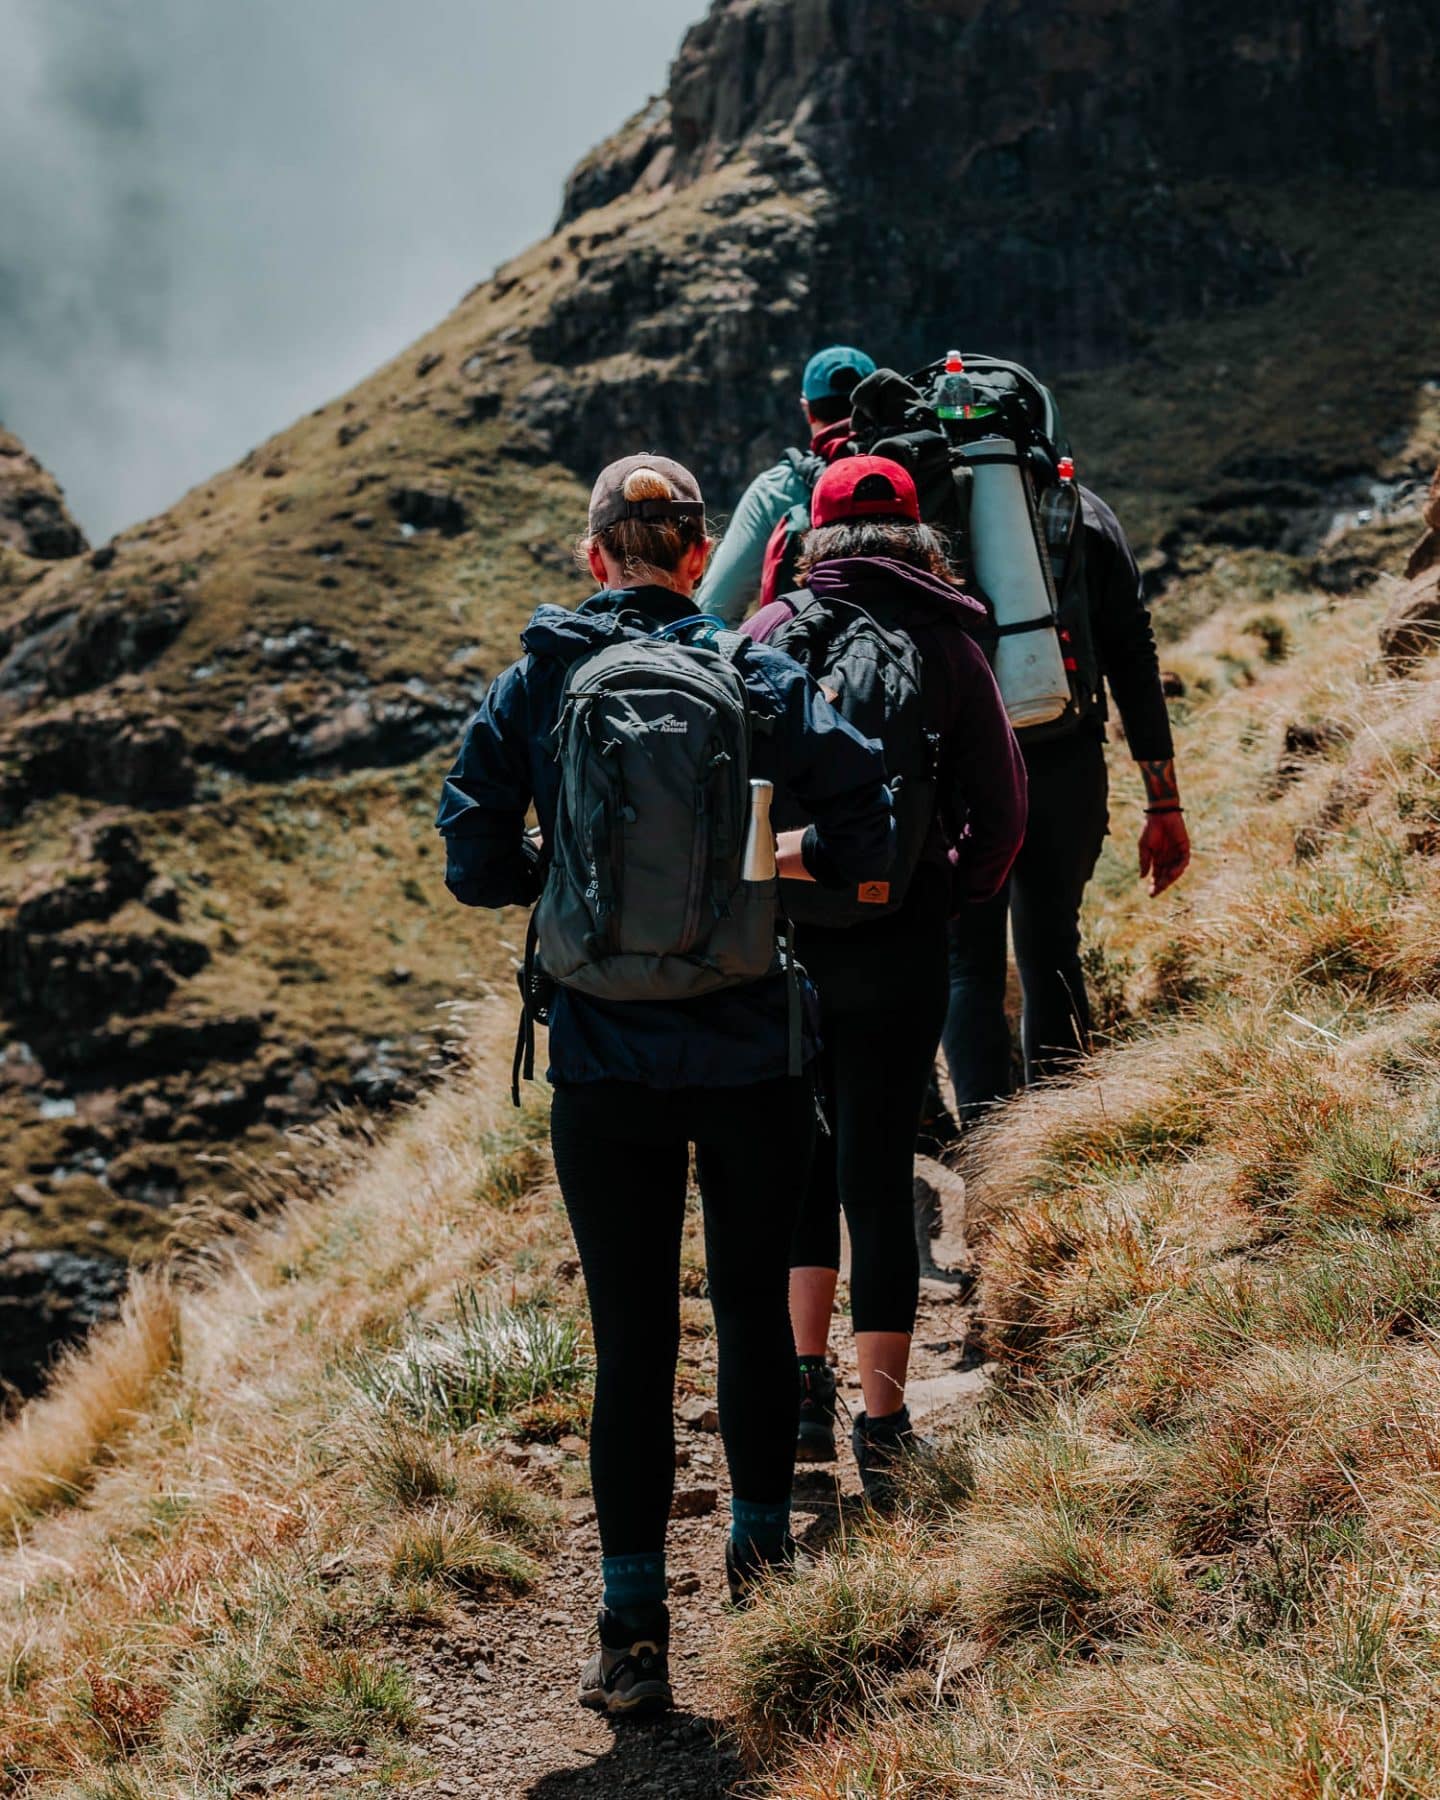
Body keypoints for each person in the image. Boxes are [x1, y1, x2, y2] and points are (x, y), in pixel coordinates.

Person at [436, 454, 894, 1719]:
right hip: (750, 1050)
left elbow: (473, 856)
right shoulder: (748, 665)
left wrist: (572, 880)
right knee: (751, 1313)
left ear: (594, 558)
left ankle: (634, 1634)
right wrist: (762, 864)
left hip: (601, 1062)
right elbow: (866, 817)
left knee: (631, 1345)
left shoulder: (539, 679)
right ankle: (763, 1579)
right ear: (699, 558)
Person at [741, 456, 1026, 1503]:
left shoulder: (768, 635)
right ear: (918, 530)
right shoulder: (949, 640)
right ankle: (885, 1423)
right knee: (875, 1171)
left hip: (784, 943)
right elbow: (1001, 814)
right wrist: (944, 894)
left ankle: (802, 1394)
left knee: (803, 1168)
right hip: (899, 945)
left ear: (811, 534)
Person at [941, 485, 1191, 1128]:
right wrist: (1163, 801)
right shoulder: (1084, 510)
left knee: (968, 969)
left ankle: (988, 1154)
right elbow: (1133, 652)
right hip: (1064, 756)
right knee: (1052, 946)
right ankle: (1059, 1144)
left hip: (956, 772)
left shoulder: (925, 506)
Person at [697, 343, 876, 624]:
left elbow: (715, 608)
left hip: (802, 661)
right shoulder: (918, 468)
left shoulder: (776, 489)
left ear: (808, 411)